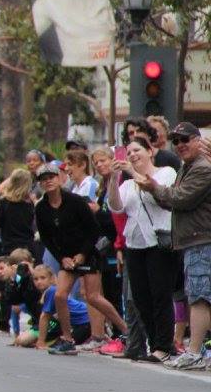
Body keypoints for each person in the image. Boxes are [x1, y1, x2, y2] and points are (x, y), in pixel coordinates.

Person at [138, 121, 211, 369]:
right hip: (193, 241)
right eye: (176, 141)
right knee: (198, 295)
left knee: (200, 297)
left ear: (198, 141)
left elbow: (181, 198)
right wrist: (156, 191)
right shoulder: (187, 167)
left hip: (202, 240)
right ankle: (201, 350)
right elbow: (173, 201)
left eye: (185, 139)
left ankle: (194, 351)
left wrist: (155, 187)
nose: (180, 145)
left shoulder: (202, 168)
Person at [34, 161, 124, 355]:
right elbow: (47, 238)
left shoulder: (74, 201)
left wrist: (83, 254)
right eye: (44, 179)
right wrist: (62, 258)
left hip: (88, 253)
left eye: (51, 177)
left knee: (93, 297)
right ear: (40, 184)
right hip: (66, 257)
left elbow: (93, 230)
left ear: (59, 179)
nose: (48, 182)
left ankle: (127, 331)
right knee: (59, 295)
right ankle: (67, 338)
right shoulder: (41, 208)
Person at [107, 137, 177, 363]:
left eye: (137, 150)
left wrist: (131, 172)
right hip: (135, 244)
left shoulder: (165, 173)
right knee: (141, 298)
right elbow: (117, 207)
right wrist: (113, 178)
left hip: (159, 242)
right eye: (128, 153)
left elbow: (156, 196)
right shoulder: (127, 183)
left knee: (160, 294)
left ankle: (164, 345)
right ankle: (154, 342)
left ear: (150, 151)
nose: (132, 156)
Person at [28, 265, 93, 349]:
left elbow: (44, 317)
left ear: (51, 278)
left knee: (63, 344)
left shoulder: (52, 290)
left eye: (43, 278)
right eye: (36, 279)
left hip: (85, 323)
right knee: (56, 343)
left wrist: (41, 341)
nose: (39, 282)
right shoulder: (48, 291)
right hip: (78, 324)